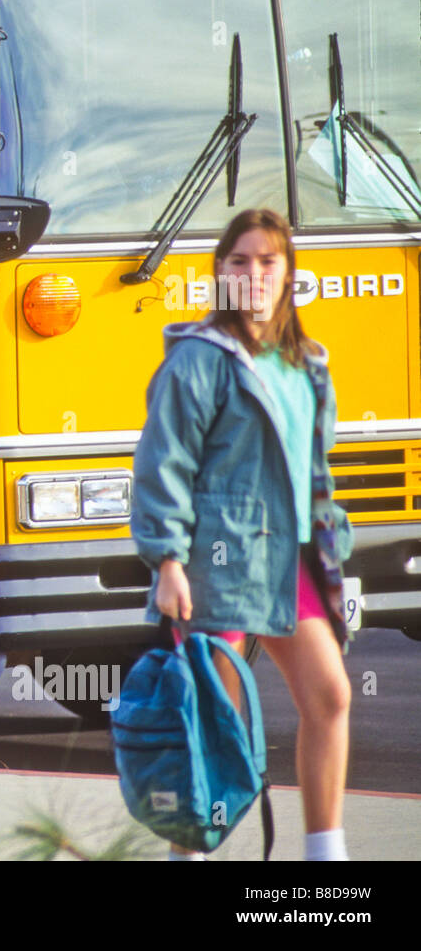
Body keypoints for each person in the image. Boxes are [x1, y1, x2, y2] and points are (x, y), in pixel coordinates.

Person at [132, 208, 355, 861]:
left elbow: (317, 479)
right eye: (239, 261)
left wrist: (338, 558)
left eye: (268, 261)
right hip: (219, 565)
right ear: (220, 273)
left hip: (291, 561)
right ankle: (192, 853)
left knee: (332, 695)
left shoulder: (308, 366)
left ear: (289, 276)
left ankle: (324, 855)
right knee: (215, 724)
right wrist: (168, 560)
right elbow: (162, 464)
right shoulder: (198, 362)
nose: (253, 274)